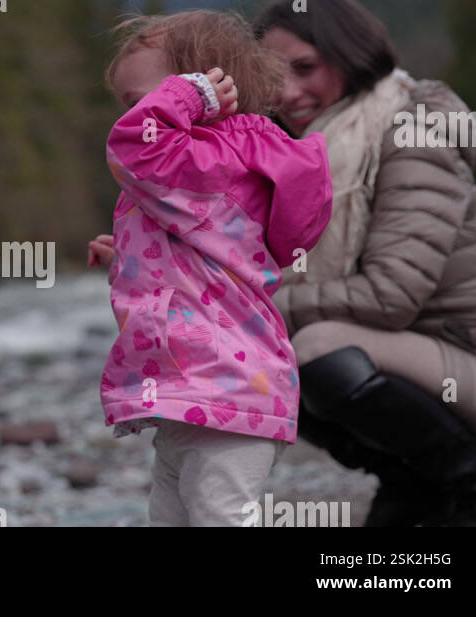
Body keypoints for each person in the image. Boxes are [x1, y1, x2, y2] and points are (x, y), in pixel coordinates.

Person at [250, 0, 476, 525]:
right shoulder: (297, 155)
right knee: (250, 354)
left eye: (305, 68)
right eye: (271, 75)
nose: (287, 92)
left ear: (351, 54)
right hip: (428, 364)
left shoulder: (411, 132)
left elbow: (390, 296)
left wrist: (256, 303)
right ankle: (414, 485)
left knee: (314, 347)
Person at [95, 10, 332, 526]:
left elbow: (132, 145)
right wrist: (126, 258)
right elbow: (204, 255)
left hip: (224, 382)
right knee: (173, 515)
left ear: (205, 88)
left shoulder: (214, 157)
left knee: (222, 516)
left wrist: (188, 96)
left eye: (140, 103)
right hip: (197, 386)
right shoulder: (198, 168)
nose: (129, 118)